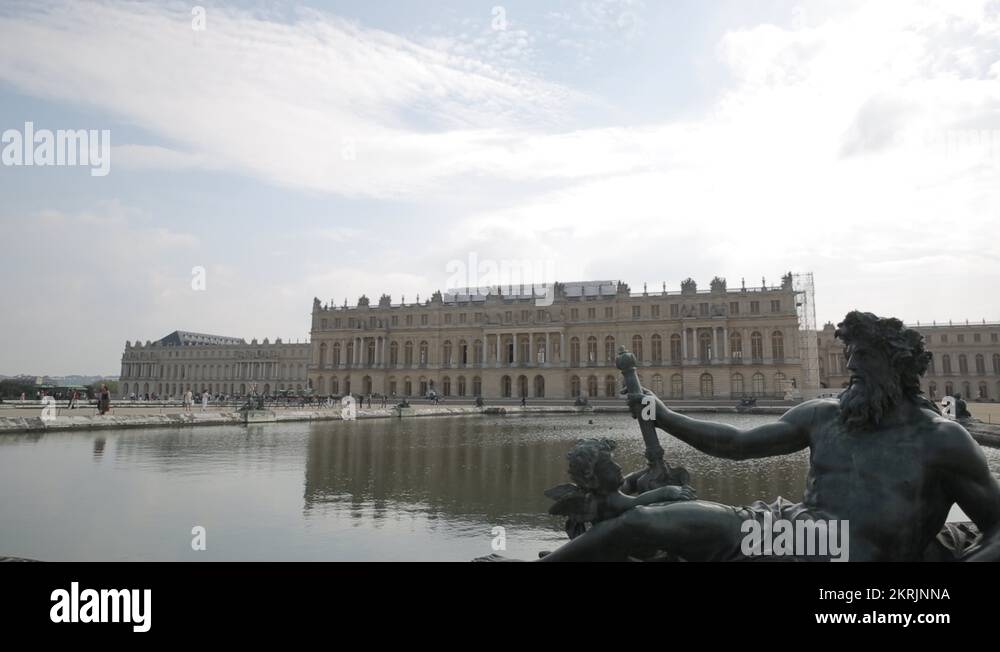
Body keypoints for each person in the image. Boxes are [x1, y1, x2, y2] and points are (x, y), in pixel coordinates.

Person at [490, 311, 1000, 562]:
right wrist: (663, 415)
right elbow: (734, 445)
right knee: (645, 519)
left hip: (845, 555)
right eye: (848, 363)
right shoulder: (826, 416)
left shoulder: (943, 441)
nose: (851, 373)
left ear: (897, 366)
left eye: (861, 362)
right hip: (782, 532)